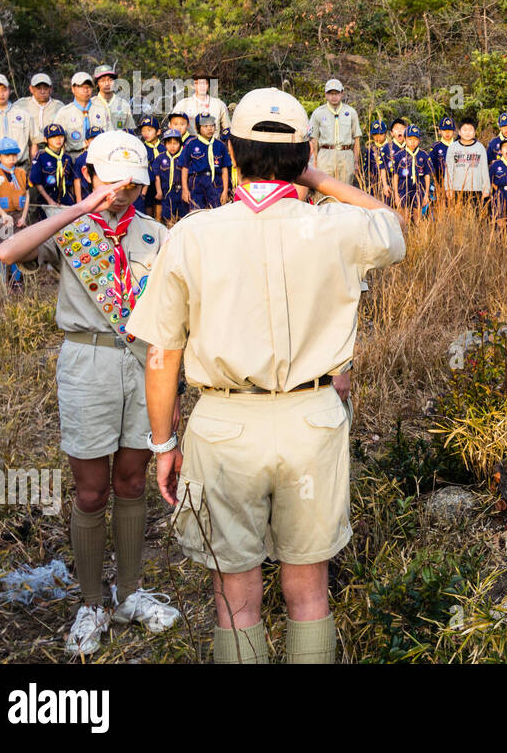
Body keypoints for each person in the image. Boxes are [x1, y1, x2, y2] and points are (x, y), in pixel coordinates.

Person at [128, 88, 407, 664]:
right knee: (309, 590)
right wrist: (319, 178)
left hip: (225, 425)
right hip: (312, 420)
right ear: (303, 153)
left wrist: (163, 444)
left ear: (232, 151)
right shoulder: (335, 227)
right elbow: (390, 223)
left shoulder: (192, 234)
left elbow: (162, 355)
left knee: (237, 593)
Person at [0, 130, 182, 655]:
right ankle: (91, 601)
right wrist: (79, 208)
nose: (119, 192)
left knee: (131, 479)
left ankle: (129, 592)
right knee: (91, 489)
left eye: (130, 183)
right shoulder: (69, 229)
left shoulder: (156, 235)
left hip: (142, 360)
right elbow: (10, 250)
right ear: (90, 175)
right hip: (87, 360)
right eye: (109, 179)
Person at [0, 137, 31, 287]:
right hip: (1, 216)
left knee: (17, 245)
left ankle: (17, 279)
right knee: (2, 245)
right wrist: (3, 215)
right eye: (7, 155)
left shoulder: (21, 173)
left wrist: (24, 217)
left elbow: (27, 195)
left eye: (14, 155)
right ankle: (2, 280)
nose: (11, 158)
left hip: (18, 215)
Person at [308, 80, 362, 186]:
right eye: (330, 93)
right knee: (324, 187)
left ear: (342, 93)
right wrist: (314, 162)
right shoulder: (318, 113)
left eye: (336, 93)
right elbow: (314, 139)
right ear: (325, 94)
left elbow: (356, 138)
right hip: (325, 155)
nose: (334, 97)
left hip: (345, 155)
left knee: (345, 189)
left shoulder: (351, 112)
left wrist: (356, 162)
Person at [179, 114, 231, 211]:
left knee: (216, 211)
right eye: (205, 126)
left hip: (215, 182)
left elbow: (224, 169)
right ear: (197, 128)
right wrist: (185, 189)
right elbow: (184, 168)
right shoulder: (191, 144)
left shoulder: (220, 145)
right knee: (196, 212)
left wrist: (225, 191)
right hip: (196, 182)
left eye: (212, 125)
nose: (209, 128)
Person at [444, 115, 490, 206]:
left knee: (474, 216)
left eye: (470, 130)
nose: (467, 132)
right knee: (458, 216)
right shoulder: (453, 147)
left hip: (476, 189)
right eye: (465, 130)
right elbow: (449, 170)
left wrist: (486, 189)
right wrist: (448, 188)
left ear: (474, 132)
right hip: (457, 189)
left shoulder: (480, 148)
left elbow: (484, 170)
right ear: (459, 132)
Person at [58, 71, 105, 155]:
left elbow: (109, 135)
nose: (86, 90)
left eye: (89, 87)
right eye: (81, 87)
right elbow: (57, 139)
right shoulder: (64, 112)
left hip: (98, 156)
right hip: (74, 157)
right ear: (73, 89)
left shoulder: (101, 110)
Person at [30, 122, 75, 209]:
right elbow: (37, 182)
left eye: (61, 136)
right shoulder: (40, 157)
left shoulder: (67, 158)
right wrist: (49, 200)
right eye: (53, 137)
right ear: (45, 139)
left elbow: (71, 180)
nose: (58, 139)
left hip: (66, 199)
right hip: (47, 199)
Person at [11, 72, 64, 144]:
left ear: (50, 89)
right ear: (31, 89)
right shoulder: (20, 105)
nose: (42, 91)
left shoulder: (59, 107)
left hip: (52, 148)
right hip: (27, 148)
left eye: (45, 88)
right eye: (38, 88)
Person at [394, 126, 432, 216]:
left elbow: (427, 175)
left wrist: (426, 194)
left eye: (415, 139)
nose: (412, 142)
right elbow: (395, 175)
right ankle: (405, 230)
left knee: (417, 214)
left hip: (419, 187)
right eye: (410, 139)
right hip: (403, 187)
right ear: (405, 139)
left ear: (419, 140)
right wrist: (396, 194)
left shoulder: (424, 155)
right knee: (404, 214)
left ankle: (417, 230)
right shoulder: (398, 155)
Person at [152, 128, 185, 225]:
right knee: (167, 217)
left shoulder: (183, 157)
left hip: (181, 191)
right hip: (166, 192)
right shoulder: (160, 158)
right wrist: (159, 191)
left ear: (180, 144)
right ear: (165, 144)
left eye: (175, 143)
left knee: (182, 217)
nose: (172, 146)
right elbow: (157, 176)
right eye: (169, 143)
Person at [94, 64, 134, 131]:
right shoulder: (91, 104)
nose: (107, 83)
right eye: (103, 80)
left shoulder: (124, 104)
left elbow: (130, 131)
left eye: (110, 80)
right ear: (97, 84)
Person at [429, 116, 456, 188]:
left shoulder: (459, 145)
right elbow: (431, 165)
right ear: (439, 131)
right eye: (444, 130)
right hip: (440, 183)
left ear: (454, 131)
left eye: (450, 130)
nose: (447, 133)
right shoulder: (435, 147)